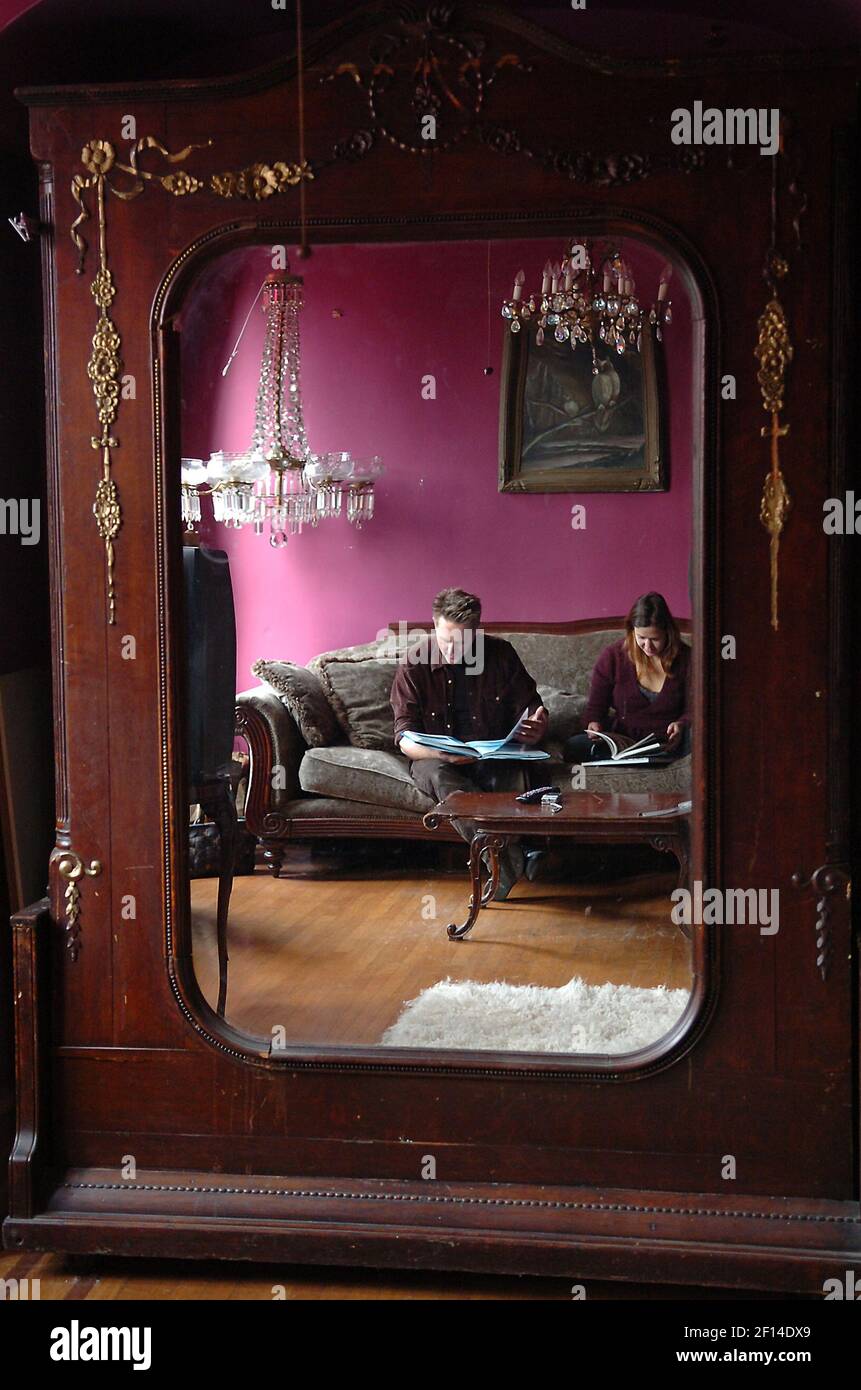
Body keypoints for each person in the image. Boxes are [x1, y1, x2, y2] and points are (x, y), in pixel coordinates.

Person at [390, 588, 548, 899]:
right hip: (435, 758)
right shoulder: (414, 664)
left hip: (493, 754)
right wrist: (443, 755)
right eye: (446, 640)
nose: (452, 650)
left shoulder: (501, 655)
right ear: (435, 625)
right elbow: (404, 737)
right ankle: (502, 856)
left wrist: (537, 728)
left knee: (515, 770)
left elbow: (532, 710)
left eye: (463, 642)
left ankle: (517, 852)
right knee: (438, 775)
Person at [564, 592, 691, 764]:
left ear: (668, 633)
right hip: (625, 739)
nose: (648, 646)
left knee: (696, 741)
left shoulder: (687, 659)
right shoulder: (613, 657)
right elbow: (595, 708)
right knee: (575, 746)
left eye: (655, 639)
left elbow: (696, 708)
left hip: (668, 741)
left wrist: (681, 724)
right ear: (632, 632)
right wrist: (594, 724)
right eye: (641, 638)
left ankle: (656, 760)